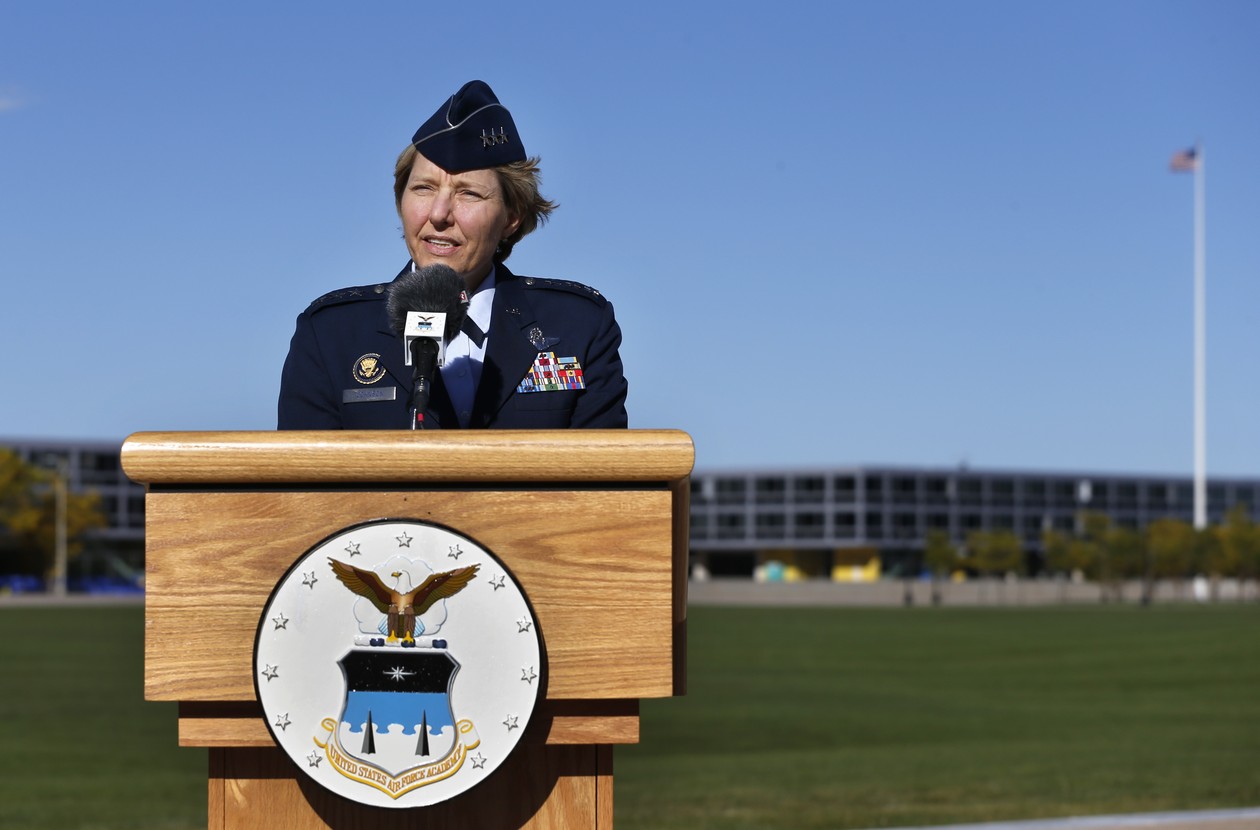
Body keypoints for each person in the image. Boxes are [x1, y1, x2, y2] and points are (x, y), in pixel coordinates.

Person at [277, 80, 628, 430]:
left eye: (469, 194)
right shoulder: (331, 334)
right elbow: (302, 479)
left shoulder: (577, 327)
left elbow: (605, 478)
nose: (439, 214)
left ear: (511, 216)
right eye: (423, 189)